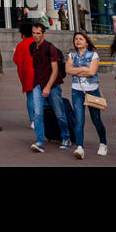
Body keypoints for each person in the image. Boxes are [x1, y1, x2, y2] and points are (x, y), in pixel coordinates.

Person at [26, 24, 69, 153]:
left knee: (59, 113)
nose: (36, 35)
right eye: (34, 33)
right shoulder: (32, 47)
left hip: (53, 85)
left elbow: (55, 70)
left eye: (38, 33)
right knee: (37, 113)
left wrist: (48, 87)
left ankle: (66, 137)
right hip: (37, 84)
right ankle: (40, 142)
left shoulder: (50, 48)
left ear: (44, 34)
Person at [65, 30, 108, 159]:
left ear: (87, 42)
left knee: (96, 120)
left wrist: (78, 71)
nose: (77, 41)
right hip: (77, 91)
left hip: (92, 91)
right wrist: (84, 69)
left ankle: (103, 143)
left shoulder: (93, 55)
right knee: (79, 120)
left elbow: (92, 72)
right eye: (76, 39)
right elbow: (67, 70)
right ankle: (80, 147)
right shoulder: (71, 55)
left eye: (81, 39)